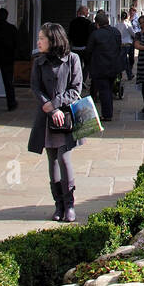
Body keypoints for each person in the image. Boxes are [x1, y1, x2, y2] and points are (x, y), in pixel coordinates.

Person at [28, 22, 83, 222]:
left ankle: (69, 204)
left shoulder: (72, 59)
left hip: (67, 116)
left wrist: (56, 105)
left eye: (42, 38)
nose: (39, 41)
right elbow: (35, 88)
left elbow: (75, 89)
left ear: (53, 40)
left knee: (64, 157)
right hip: (47, 117)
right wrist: (49, 108)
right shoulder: (39, 62)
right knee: (52, 159)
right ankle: (58, 204)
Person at [85, 11, 122, 122]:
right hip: (113, 65)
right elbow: (119, 48)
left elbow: (88, 50)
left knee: (104, 91)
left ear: (97, 24)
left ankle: (107, 114)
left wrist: (89, 63)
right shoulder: (116, 32)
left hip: (100, 66)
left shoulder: (96, 34)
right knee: (108, 89)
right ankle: (108, 112)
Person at [68, 6, 94, 83]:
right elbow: (90, 36)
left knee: (76, 66)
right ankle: (82, 80)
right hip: (85, 48)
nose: (88, 13)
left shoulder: (72, 22)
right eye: (87, 11)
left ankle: (76, 80)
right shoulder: (88, 23)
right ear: (84, 12)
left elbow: (70, 35)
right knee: (87, 64)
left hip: (75, 47)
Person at [115, 9, 135, 80]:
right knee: (125, 61)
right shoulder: (128, 24)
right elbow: (133, 34)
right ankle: (126, 74)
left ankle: (127, 74)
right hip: (128, 44)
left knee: (124, 60)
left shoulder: (117, 25)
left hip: (120, 44)